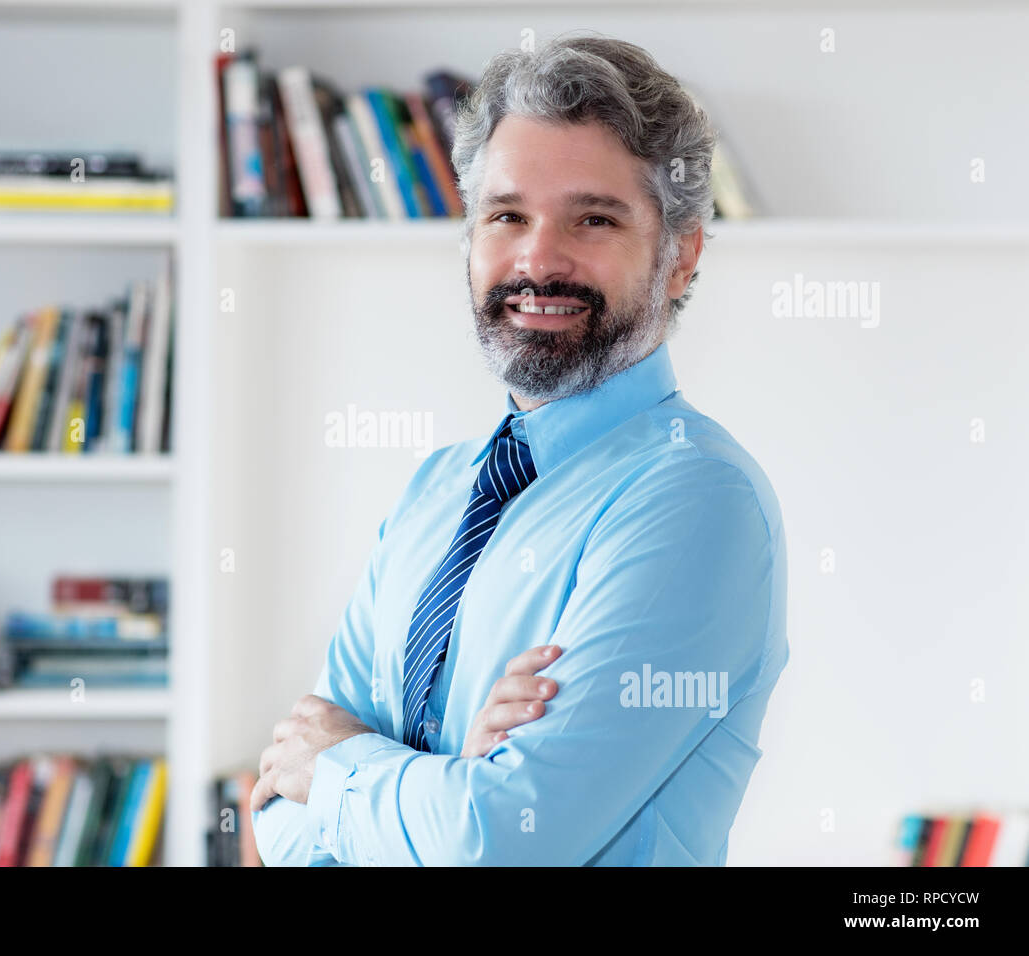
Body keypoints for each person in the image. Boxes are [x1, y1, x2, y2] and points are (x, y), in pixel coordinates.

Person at [249, 32, 788, 866]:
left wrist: (349, 771)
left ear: (680, 258)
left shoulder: (698, 500)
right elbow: (277, 817)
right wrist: (444, 780)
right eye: (507, 216)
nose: (539, 258)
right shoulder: (436, 489)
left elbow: (501, 839)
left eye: (594, 218)